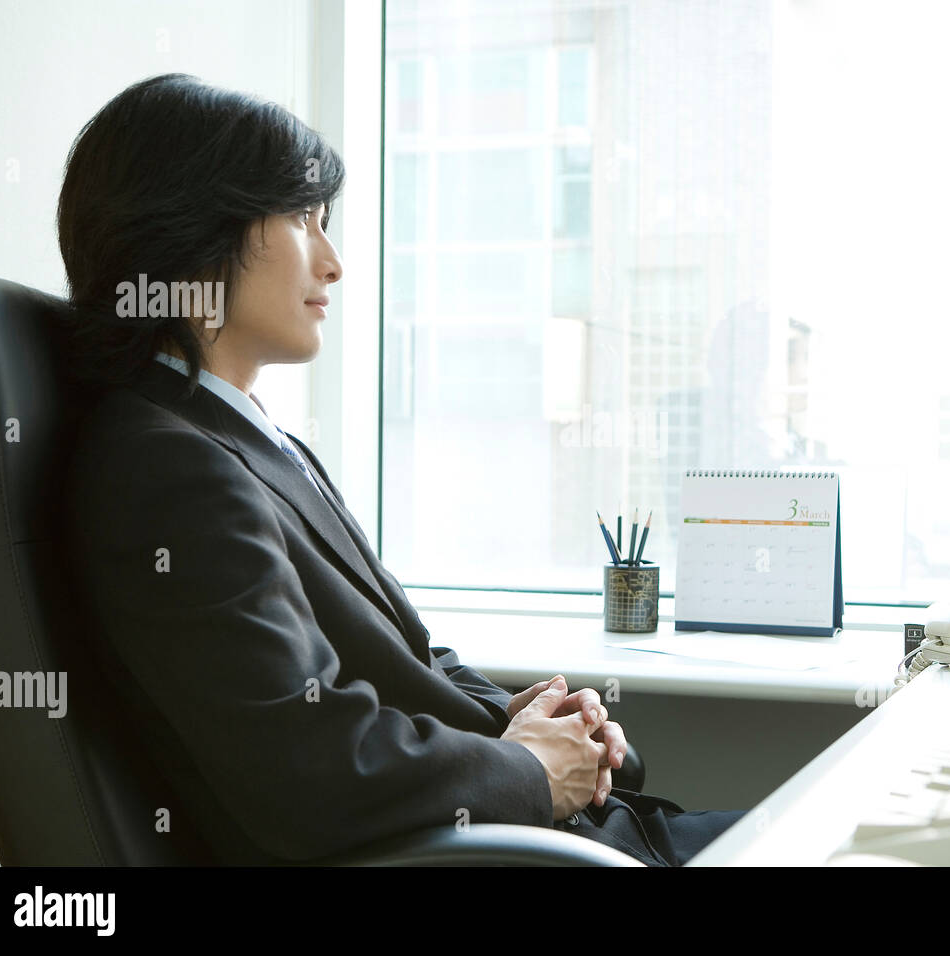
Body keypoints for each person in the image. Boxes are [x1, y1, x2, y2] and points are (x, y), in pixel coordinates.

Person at [58, 73, 744, 866]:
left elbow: (407, 658)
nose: (334, 263)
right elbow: (311, 763)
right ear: (194, 230)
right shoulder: (164, 469)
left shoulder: (242, 439)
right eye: (304, 220)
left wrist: (532, 723)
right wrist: (527, 768)